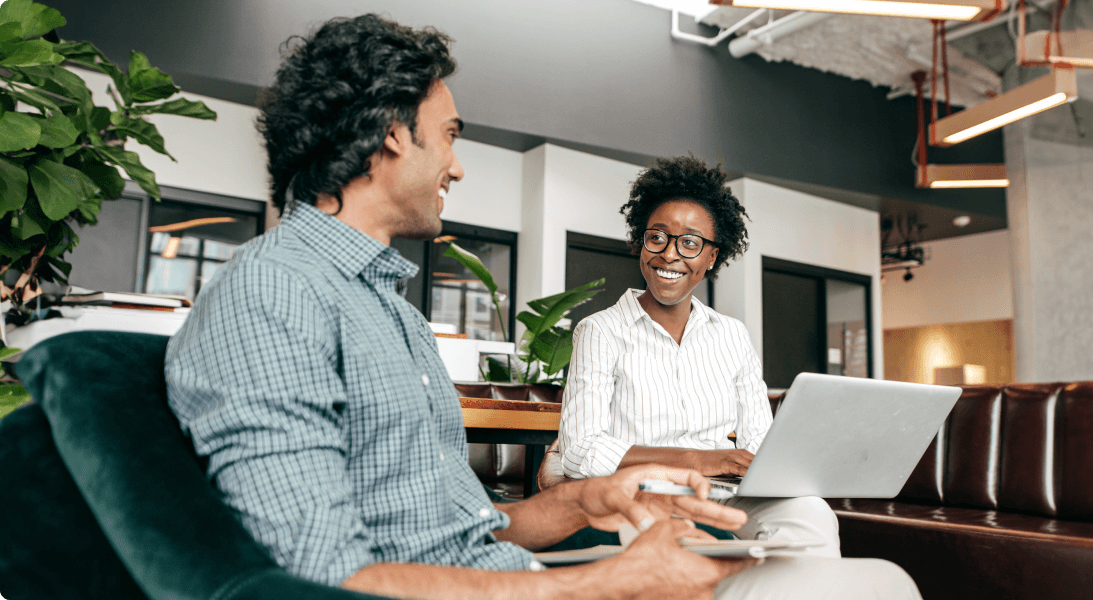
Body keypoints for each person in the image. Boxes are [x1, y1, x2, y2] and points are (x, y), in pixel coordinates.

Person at [166, 14, 920, 600]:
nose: (456, 166)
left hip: (513, 575)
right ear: (393, 136)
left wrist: (591, 499)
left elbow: (471, 526)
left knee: (864, 572)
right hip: (517, 588)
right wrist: (600, 582)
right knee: (879, 584)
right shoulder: (271, 296)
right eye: (449, 136)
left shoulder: (386, 308)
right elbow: (321, 577)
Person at [557, 155, 840, 556]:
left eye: (690, 243)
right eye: (657, 237)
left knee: (811, 516)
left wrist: (768, 465)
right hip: (644, 494)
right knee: (699, 543)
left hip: (726, 493)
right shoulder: (600, 331)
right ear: (641, 241)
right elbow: (580, 450)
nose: (670, 255)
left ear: (711, 257)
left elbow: (758, 440)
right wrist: (695, 460)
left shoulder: (732, 335)